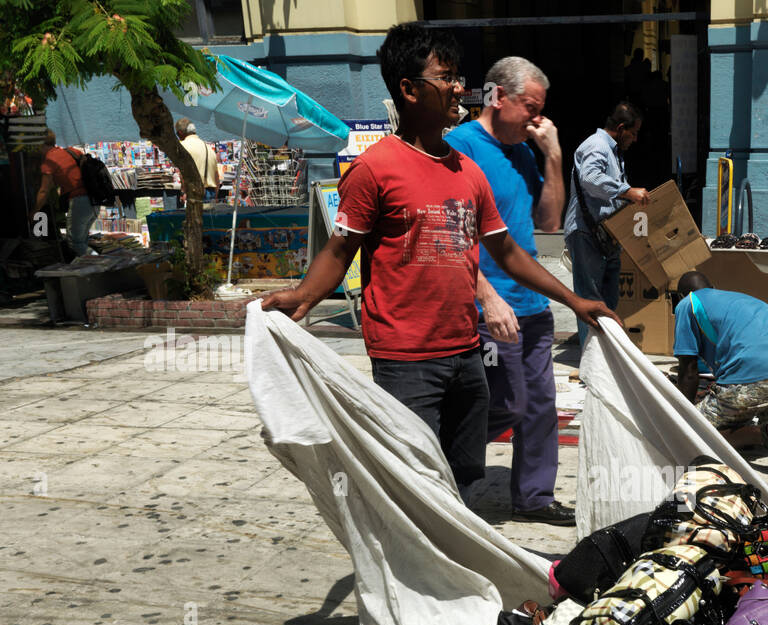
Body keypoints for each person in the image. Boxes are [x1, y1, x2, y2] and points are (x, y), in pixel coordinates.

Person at [260, 23, 620, 507]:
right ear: (408, 89)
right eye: (444, 77)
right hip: (406, 358)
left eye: (457, 76)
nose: (457, 88)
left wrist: (576, 301)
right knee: (413, 476)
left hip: (466, 349)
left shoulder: (465, 171)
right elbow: (340, 250)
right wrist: (304, 296)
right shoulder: (375, 169)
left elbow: (509, 253)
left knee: (465, 475)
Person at [445, 57, 575, 526]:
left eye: (541, 109)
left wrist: (554, 156)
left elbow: (549, 224)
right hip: (488, 307)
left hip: (531, 304)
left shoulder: (523, 151)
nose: (537, 118)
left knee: (541, 407)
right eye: (530, 107)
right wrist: (485, 295)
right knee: (506, 402)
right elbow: (451, 234)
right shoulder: (460, 147)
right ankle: (444, 470)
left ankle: (534, 498)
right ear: (497, 96)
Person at [671, 271, 768, 475]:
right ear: (714, 287)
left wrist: (682, 412)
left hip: (750, 376)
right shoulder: (747, 299)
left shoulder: (688, 304)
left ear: (682, 295)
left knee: (694, 430)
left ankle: (765, 434)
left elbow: (688, 370)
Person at [563, 102, 649, 349]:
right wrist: (627, 191)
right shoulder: (596, 146)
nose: (635, 139)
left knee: (608, 299)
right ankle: (592, 359)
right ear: (621, 128)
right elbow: (591, 179)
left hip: (607, 234)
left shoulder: (614, 152)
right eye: (633, 133)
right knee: (590, 298)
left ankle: (606, 352)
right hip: (586, 233)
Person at [35, 129, 95, 257]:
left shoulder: (49, 161)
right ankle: (93, 267)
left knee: (74, 243)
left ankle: (101, 265)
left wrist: (34, 211)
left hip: (79, 200)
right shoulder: (72, 151)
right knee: (82, 241)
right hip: (94, 199)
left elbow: (44, 190)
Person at [175, 118, 220, 203]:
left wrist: (183, 191)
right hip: (210, 194)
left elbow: (184, 173)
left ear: (180, 132)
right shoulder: (208, 148)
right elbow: (216, 177)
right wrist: (215, 196)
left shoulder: (183, 146)